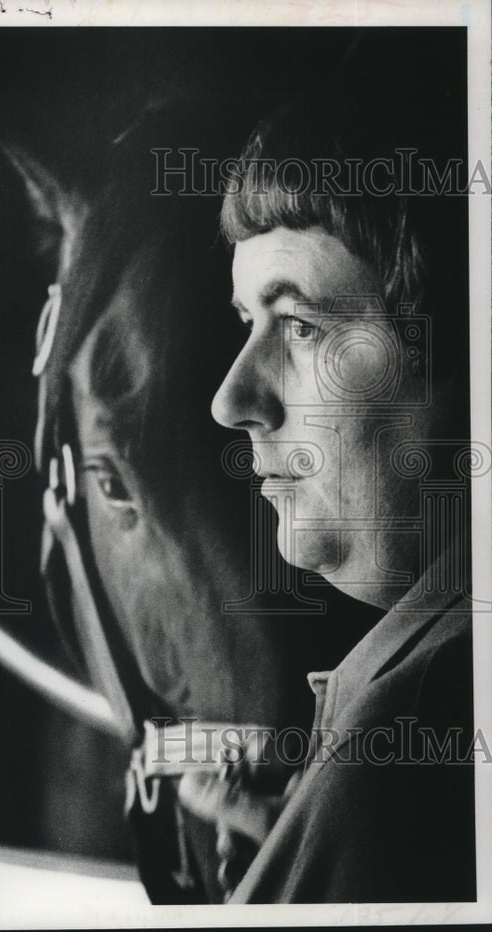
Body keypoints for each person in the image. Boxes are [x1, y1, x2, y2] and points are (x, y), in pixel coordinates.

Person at [178, 87, 476, 902]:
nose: (231, 400)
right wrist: (308, 844)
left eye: (301, 326)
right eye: (248, 322)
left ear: (463, 358)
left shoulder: (410, 744)